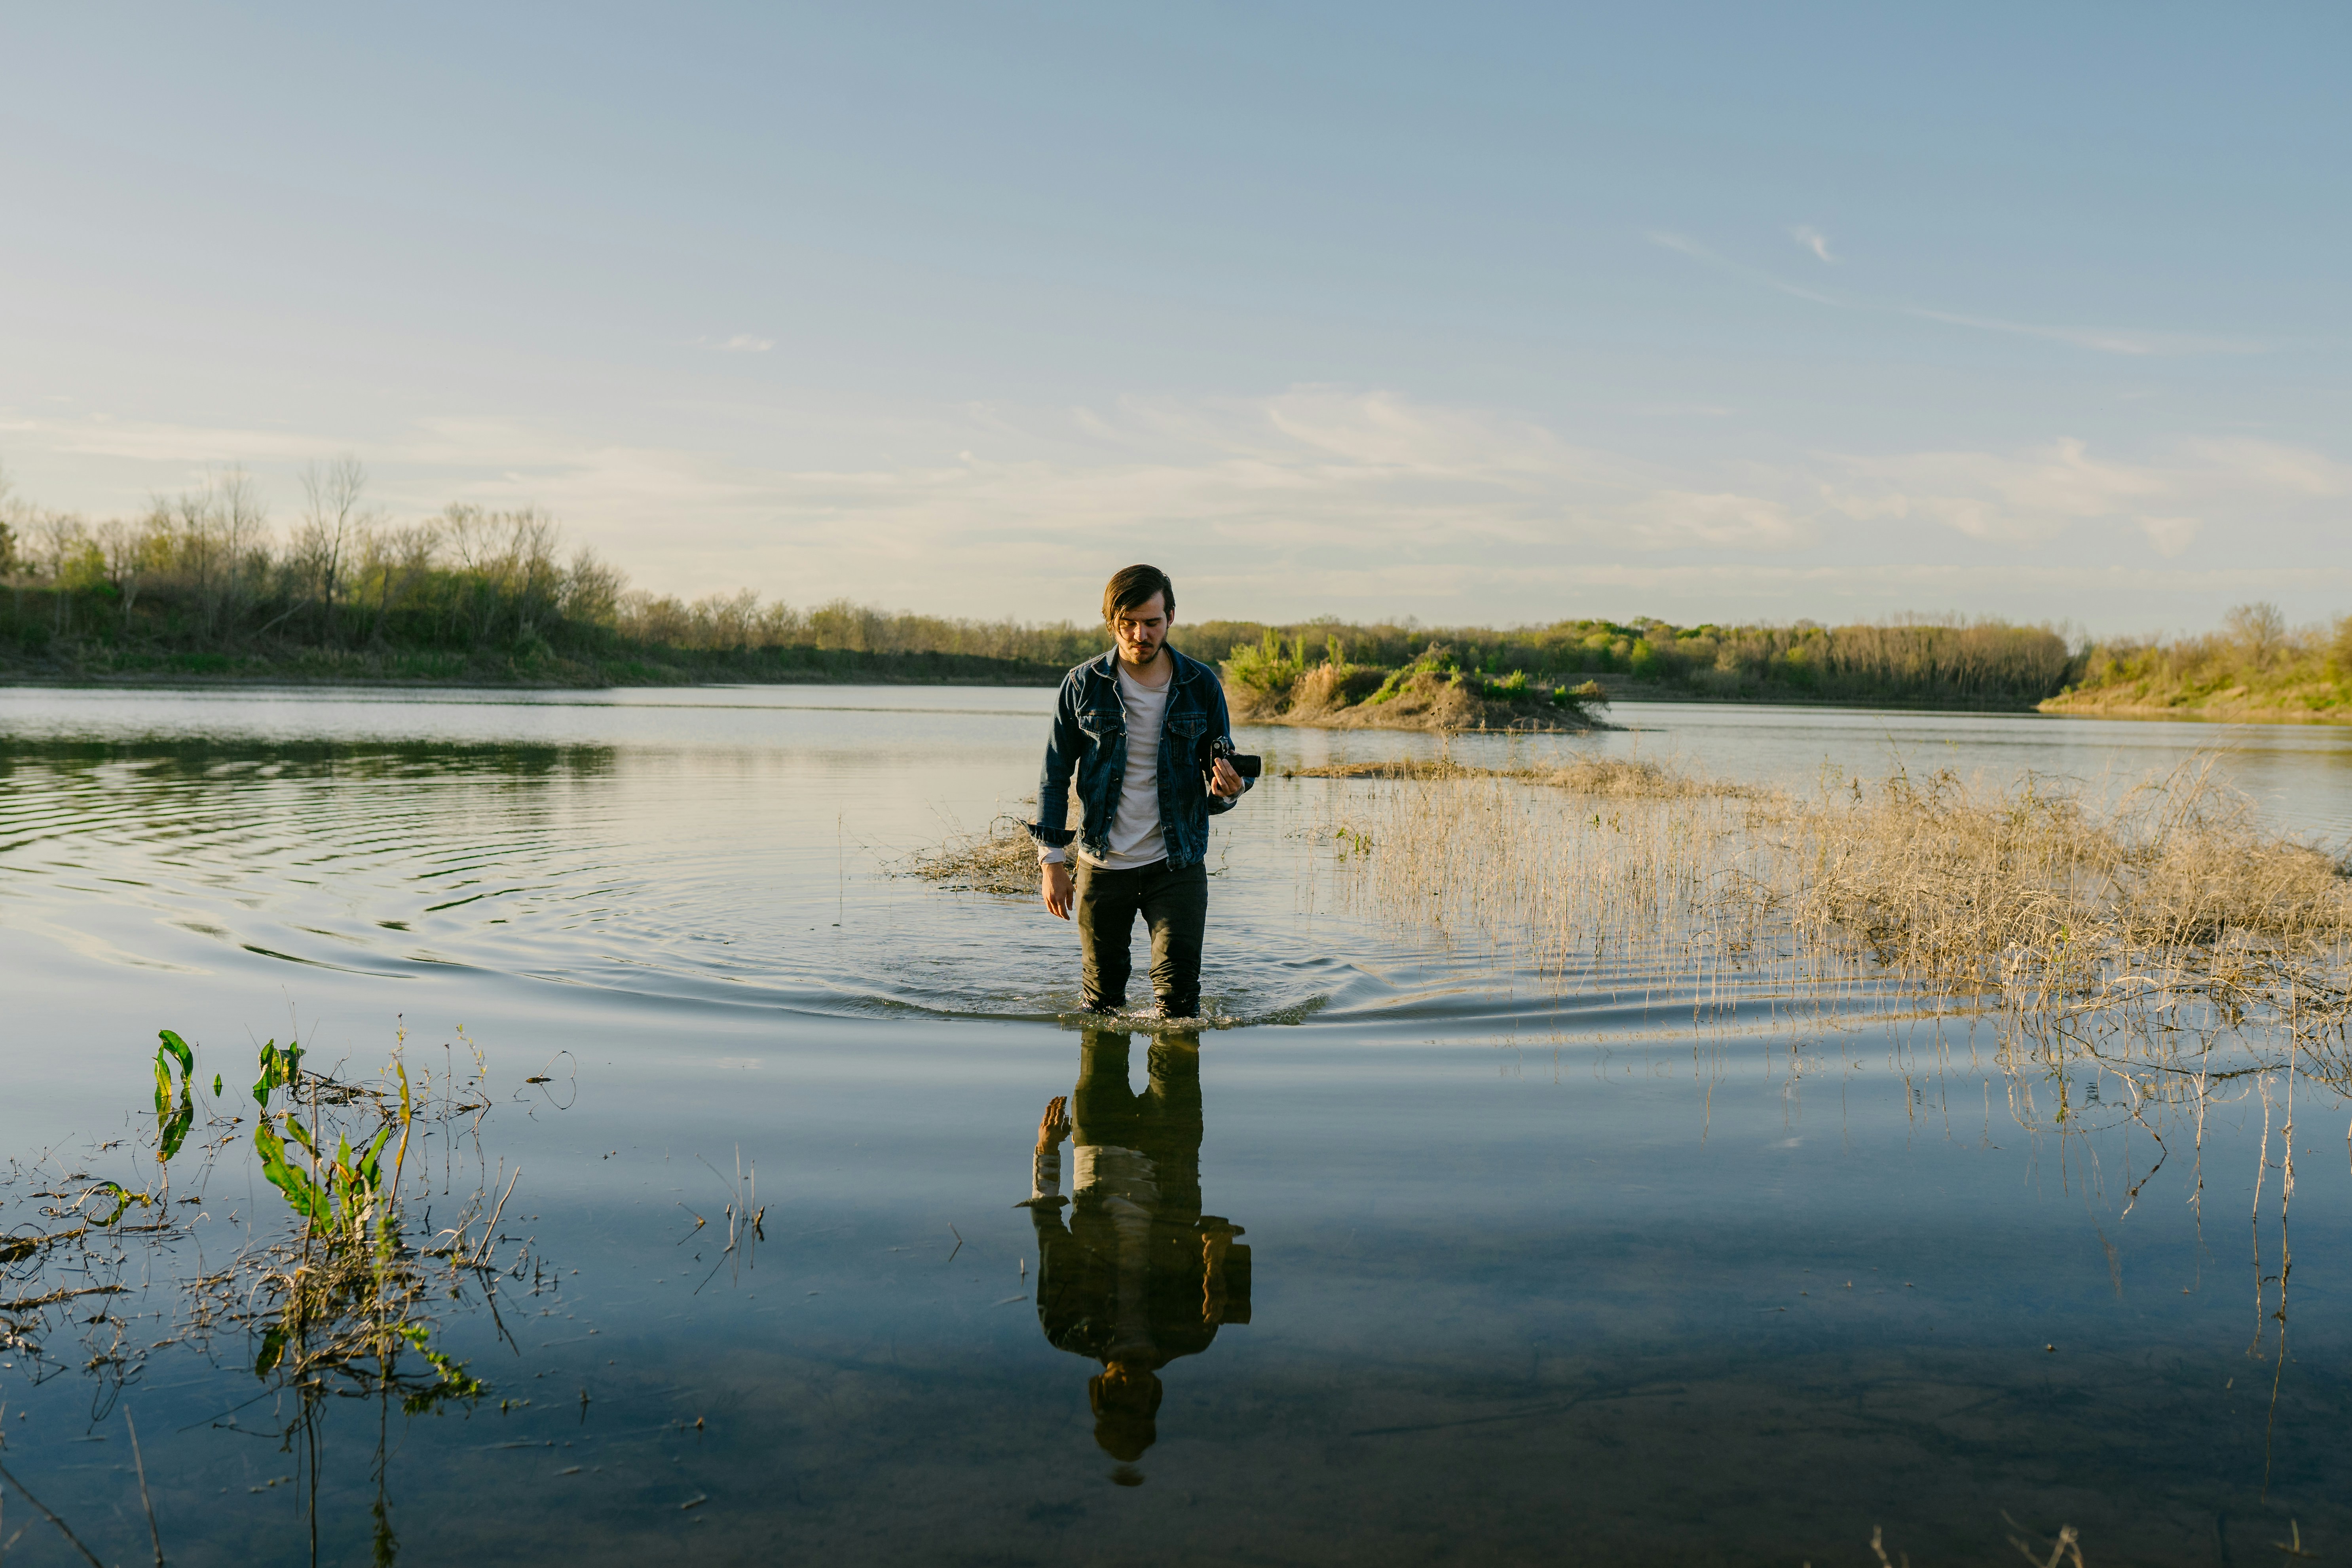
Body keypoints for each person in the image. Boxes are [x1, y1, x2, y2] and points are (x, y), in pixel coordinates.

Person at [1019, 1028, 1249, 1478]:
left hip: (1099, 1143)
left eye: (1117, 1398)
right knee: (1179, 1026)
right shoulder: (1194, 1334)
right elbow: (1221, 1235)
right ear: (1154, 1396)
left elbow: (1049, 1230)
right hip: (1173, 1147)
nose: (1129, 1385)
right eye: (1137, 1401)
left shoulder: (1065, 1328)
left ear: (1100, 1393)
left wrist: (1045, 1152)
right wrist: (1217, 1262)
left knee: (1102, 1024)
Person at [1029, 564, 1251, 1018]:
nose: (1140, 634)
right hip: (1101, 864)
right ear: (1111, 621)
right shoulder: (1081, 685)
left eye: (1152, 622)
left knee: (1180, 1004)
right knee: (1101, 1004)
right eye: (1128, 622)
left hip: (1178, 865)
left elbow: (1214, 789)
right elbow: (1054, 775)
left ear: (1171, 617)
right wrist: (1052, 860)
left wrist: (1228, 791)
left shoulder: (1201, 684)